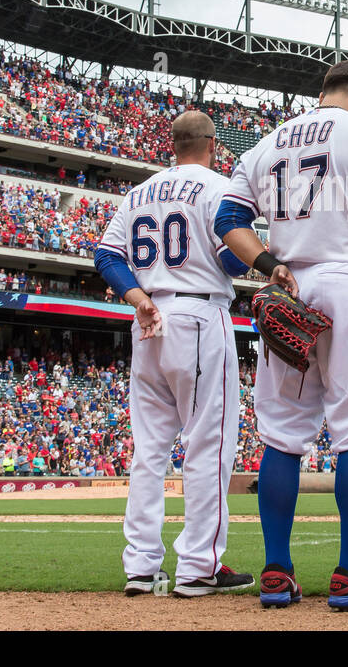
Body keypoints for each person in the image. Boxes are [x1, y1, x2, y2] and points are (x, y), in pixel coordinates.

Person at [215, 58, 348, 610]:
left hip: (291, 285)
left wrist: (268, 264)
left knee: (281, 434)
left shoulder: (266, 142)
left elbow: (227, 220)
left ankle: (277, 573)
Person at [95, 110, 253, 599]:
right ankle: (198, 567)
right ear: (211, 144)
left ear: (173, 144)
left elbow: (106, 255)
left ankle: (141, 567)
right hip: (198, 315)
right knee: (209, 444)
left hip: (147, 319)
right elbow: (229, 255)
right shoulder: (216, 187)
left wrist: (137, 297)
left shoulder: (139, 191)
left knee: (149, 450)